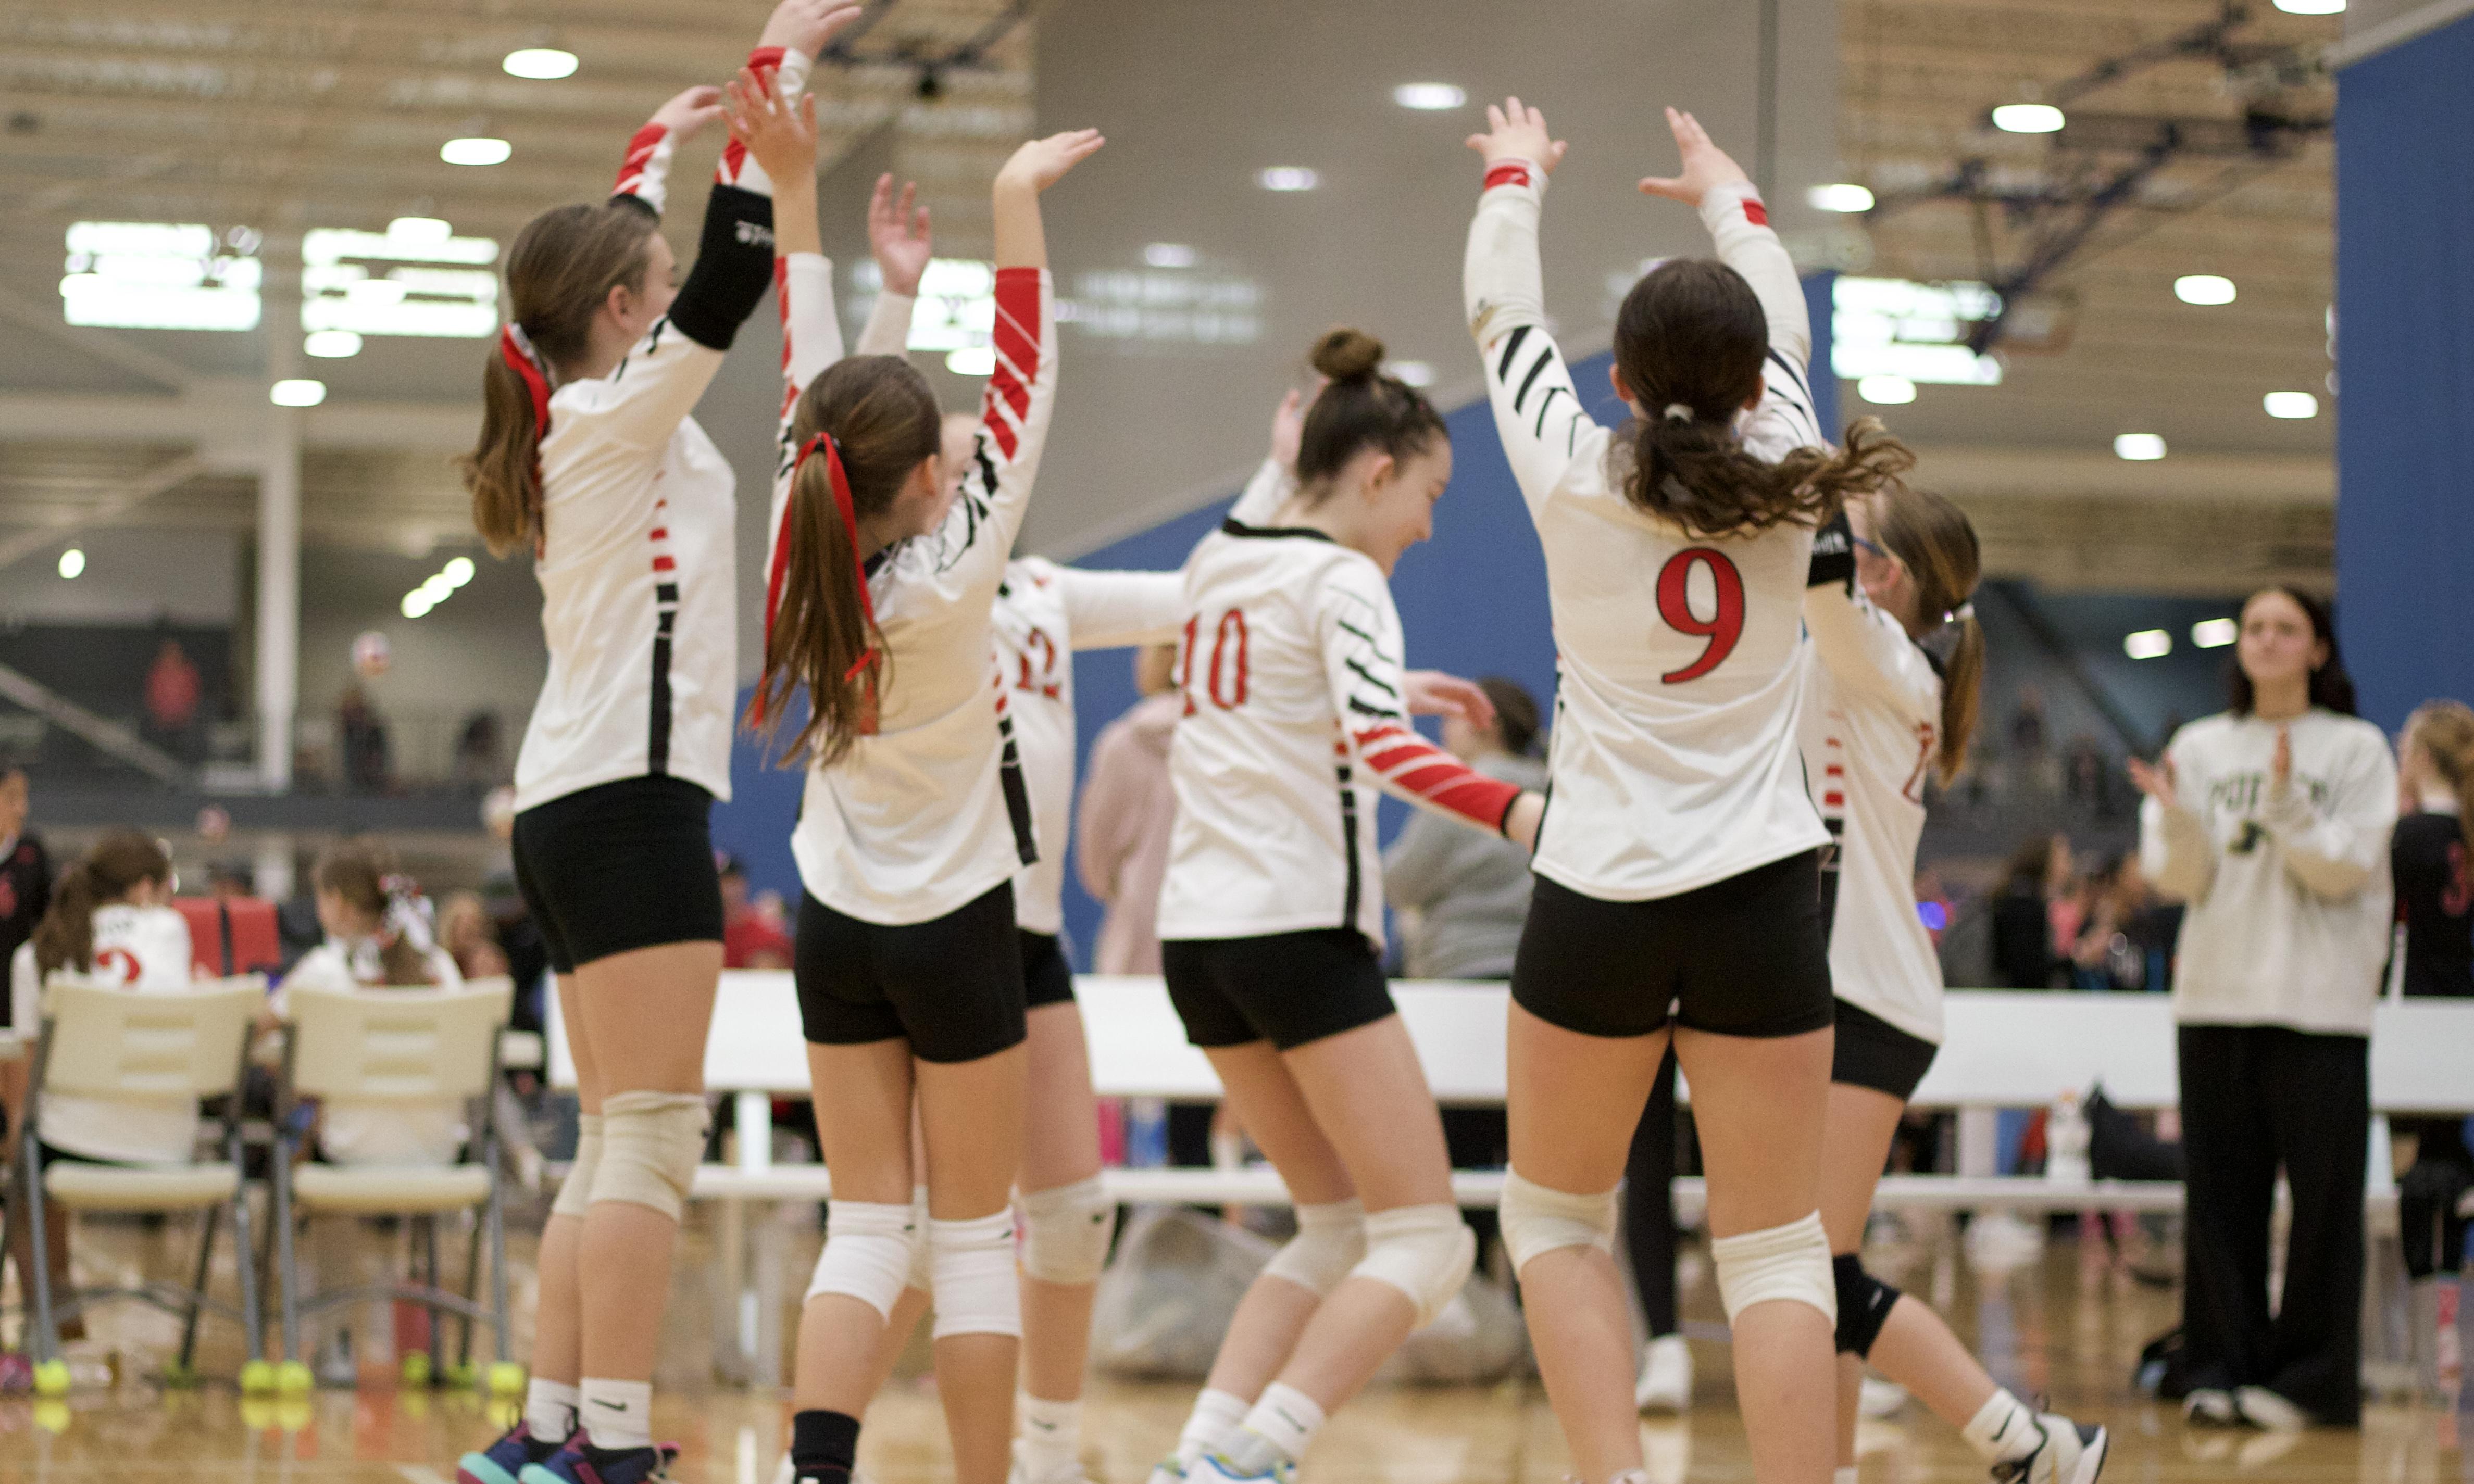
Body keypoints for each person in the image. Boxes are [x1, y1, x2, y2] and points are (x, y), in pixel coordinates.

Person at [1464, 100, 1914, 1484]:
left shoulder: (1569, 468)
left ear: (1617, 379)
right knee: (1776, 1245)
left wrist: (1513, 177)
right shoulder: (1786, 453)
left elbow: (1496, 318)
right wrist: (1728, 191)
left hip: (1596, 891)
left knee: (1550, 1223)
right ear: (1743, 378)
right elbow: (1777, 306)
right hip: (1765, 893)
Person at [451, 8, 864, 1482]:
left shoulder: (576, 402)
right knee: (650, 1135)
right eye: (650, 286)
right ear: (624, 315)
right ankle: (608, 1437)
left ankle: (550, 1429)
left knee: (609, 1133)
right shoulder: (614, 416)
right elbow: (738, 270)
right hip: (623, 808)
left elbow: (612, 260)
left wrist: (658, 147)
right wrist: (776, 69)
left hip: (576, 809)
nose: (667, 289)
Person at [746, 97, 1099, 1484]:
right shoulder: (959, 578)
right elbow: (1028, 372)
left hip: (835, 923)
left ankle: (811, 1472)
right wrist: (1015, 206)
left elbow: (813, 378)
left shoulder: (800, 543)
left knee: (861, 1227)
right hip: (957, 929)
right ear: (923, 485)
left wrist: (801, 203)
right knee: (968, 1240)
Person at [1146, 327, 1544, 1484]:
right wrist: (1518, 814)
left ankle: (1196, 1458)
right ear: (1376, 475)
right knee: (1421, 1242)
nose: (1426, 523)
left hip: (1198, 942)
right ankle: (1257, 1456)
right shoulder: (1345, 580)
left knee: (1330, 1228)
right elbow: (1384, 755)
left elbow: (1295, 685)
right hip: (1292, 933)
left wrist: (1292, 448)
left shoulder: (1222, 559)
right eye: (1426, 493)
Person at [1804, 484, 2105, 1484]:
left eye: (1857, 532)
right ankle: (1838, 1468)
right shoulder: (1876, 657)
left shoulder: (1886, 658)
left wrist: (1813, 483)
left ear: (1883, 571)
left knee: (1811, 1274)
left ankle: (2025, 1443)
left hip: (1862, 996)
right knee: (1816, 1271)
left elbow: (1812, 569)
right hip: (1851, 990)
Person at [2129, 586, 2396, 1430]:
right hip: (2216, 997)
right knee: (2219, 1198)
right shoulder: (2202, 746)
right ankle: (2218, 1366)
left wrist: (2285, 805)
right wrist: (2175, 823)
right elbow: (2181, 881)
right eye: (2255, 628)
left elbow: (2343, 871)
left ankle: (2310, 1382)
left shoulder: (2356, 749)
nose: (2269, 640)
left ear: (2319, 648)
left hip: (2320, 1008)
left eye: (2288, 628)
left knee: (2322, 1206)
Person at [5, 831, 196, 1346]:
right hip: (170, 1148)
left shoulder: (35, 956)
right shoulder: (170, 929)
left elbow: (28, 1090)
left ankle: (51, 1315)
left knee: (25, 1160)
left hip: (73, 1152)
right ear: (142, 888)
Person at [277, 839, 468, 1167]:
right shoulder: (442, 967)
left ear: (336, 901)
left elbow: (255, 1025)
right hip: (439, 1154)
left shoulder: (324, 968)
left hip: (349, 1151)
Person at [2388, 699, 2474, 1400]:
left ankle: (2425, 1324)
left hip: (2414, 1026)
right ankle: (2444, 1319)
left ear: (2416, 758)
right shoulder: (2461, 835)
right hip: (2463, 1028)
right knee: (2450, 1165)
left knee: (2413, 1172)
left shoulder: (2405, 835)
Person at [1384, 675, 1548, 980]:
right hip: (1541, 971)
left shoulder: (1457, 790)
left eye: (1451, 717)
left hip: (1460, 963)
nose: (1443, 729)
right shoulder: (1553, 791)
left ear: (1485, 722)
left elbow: (1400, 883)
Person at [1076, 644, 1184, 976]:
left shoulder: (1125, 744)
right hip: (1225, 936)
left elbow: (1096, 863)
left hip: (1140, 943)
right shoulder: (1239, 740)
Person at [0, 762, 53, 1033]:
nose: (23, 809)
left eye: (24, 798)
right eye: (12, 798)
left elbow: (50, 920)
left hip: (17, 998)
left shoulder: (32, 853)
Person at [1989, 836, 2063, 989]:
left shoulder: (2018, 895)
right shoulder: (2026, 906)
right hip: (2016, 1002)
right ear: (2046, 861)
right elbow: (2027, 970)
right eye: (2064, 859)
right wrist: (2073, 962)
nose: (2068, 866)